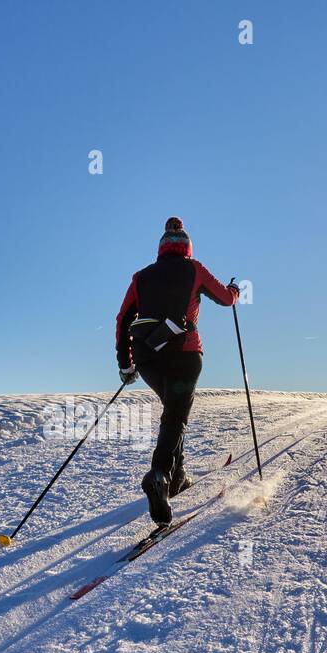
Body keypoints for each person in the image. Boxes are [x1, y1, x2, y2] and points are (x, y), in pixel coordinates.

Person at [115, 217, 240, 526]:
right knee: (176, 415)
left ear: (161, 248)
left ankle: (178, 476)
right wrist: (235, 290)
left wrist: (126, 363)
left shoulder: (141, 277)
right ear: (187, 246)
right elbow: (225, 299)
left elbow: (122, 320)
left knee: (174, 411)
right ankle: (160, 475)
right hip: (185, 355)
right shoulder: (194, 269)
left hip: (149, 359)